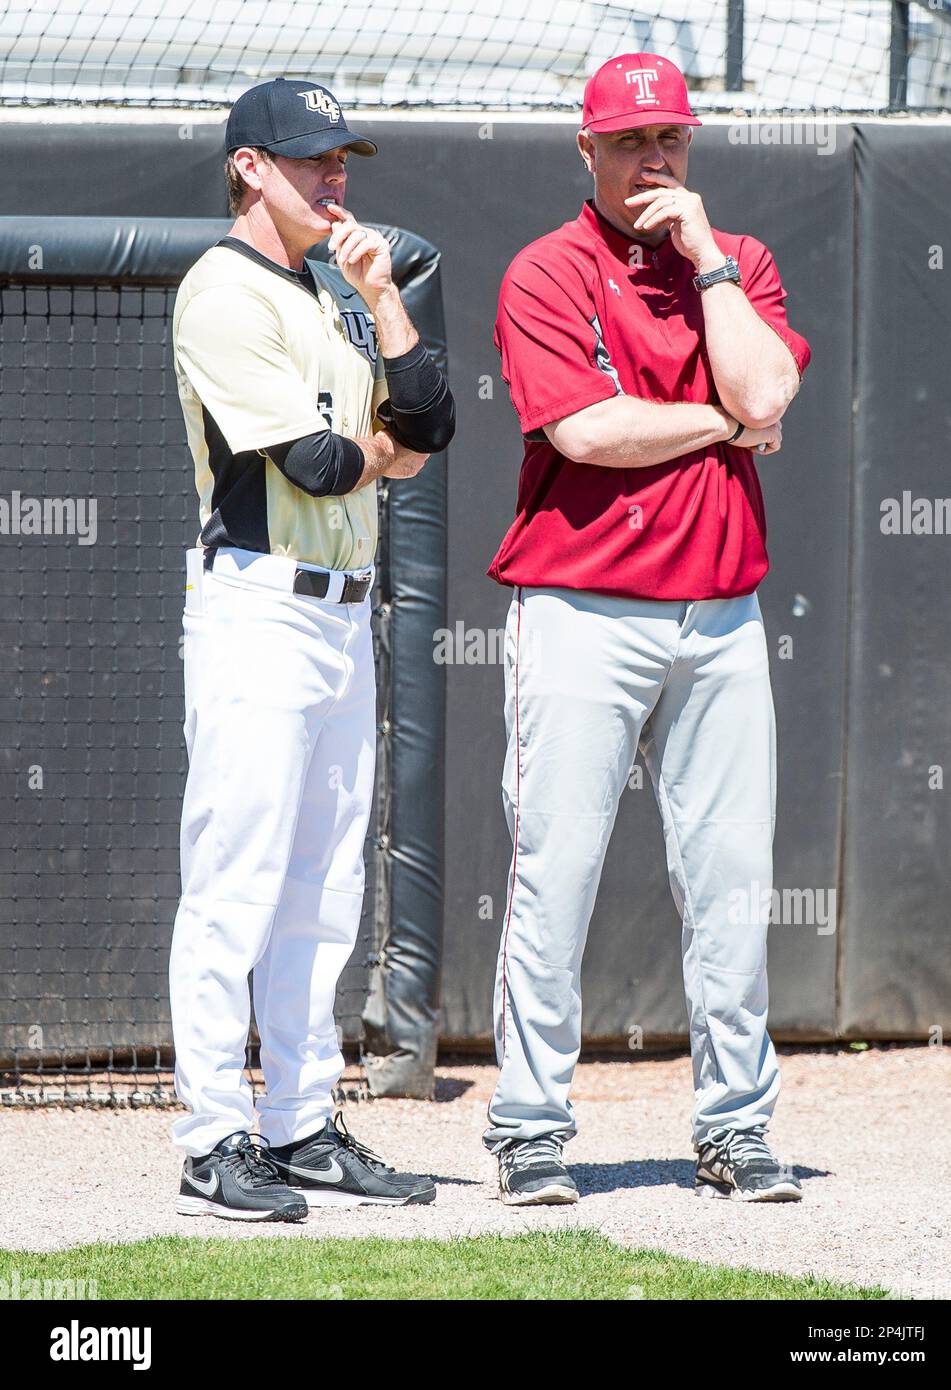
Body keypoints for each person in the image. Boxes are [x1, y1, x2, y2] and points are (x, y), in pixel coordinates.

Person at [484, 53, 811, 1205]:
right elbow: (586, 432)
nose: (653, 159)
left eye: (669, 138)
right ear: (587, 150)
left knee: (730, 883)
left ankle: (736, 1128)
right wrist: (723, 419)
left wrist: (710, 264)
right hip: (579, 611)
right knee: (554, 874)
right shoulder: (548, 270)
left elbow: (769, 396)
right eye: (628, 141)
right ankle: (529, 1128)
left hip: (721, 615)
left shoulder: (742, 263)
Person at [169, 78, 454, 1220]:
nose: (337, 180)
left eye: (344, 160)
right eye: (312, 160)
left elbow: (429, 424)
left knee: (324, 887)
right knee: (234, 882)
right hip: (259, 606)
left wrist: (384, 298)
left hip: (344, 612)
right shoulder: (221, 289)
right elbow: (321, 465)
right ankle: (209, 1141)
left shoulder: (337, 291)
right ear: (250, 167)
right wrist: (381, 450)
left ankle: (296, 1123)